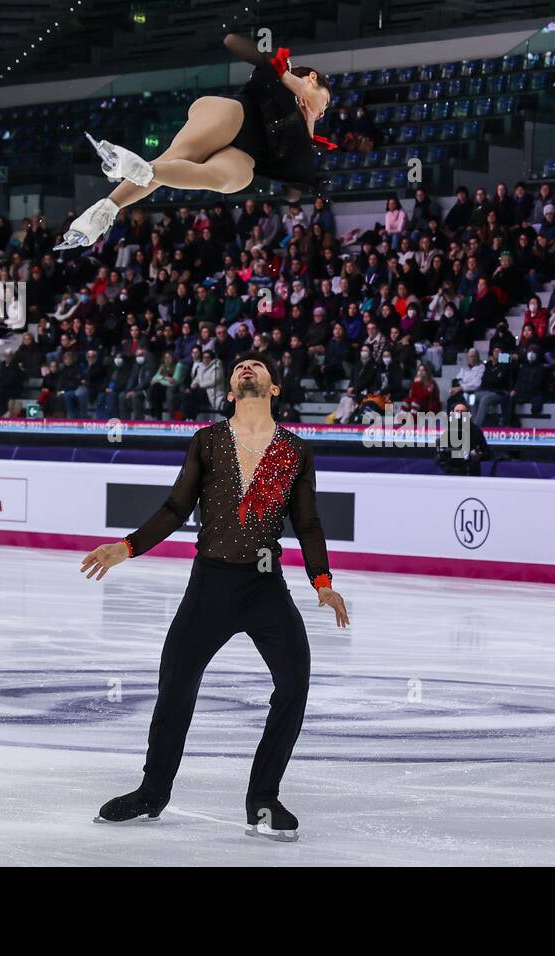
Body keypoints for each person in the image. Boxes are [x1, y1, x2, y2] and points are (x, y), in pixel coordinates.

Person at [84, 354, 348, 841]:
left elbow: (308, 523)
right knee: (175, 687)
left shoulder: (294, 451)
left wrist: (323, 582)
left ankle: (263, 800)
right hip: (209, 585)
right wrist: (126, 547)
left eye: (258, 366)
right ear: (229, 391)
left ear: (274, 389)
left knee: (293, 686)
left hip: (265, 586)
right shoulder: (207, 441)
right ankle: (152, 793)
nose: (247, 368)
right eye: (239, 367)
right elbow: (175, 507)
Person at [57, 35, 335, 249]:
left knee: (233, 179)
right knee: (180, 155)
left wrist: (308, 129)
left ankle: (132, 178)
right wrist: (291, 81)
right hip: (233, 114)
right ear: (313, 78)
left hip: (244, 155)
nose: (323, 113)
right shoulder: (282, 71)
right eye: (326, 103)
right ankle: (109, 205)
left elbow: (293, 193)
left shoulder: (303, 138)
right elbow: (233, 42)